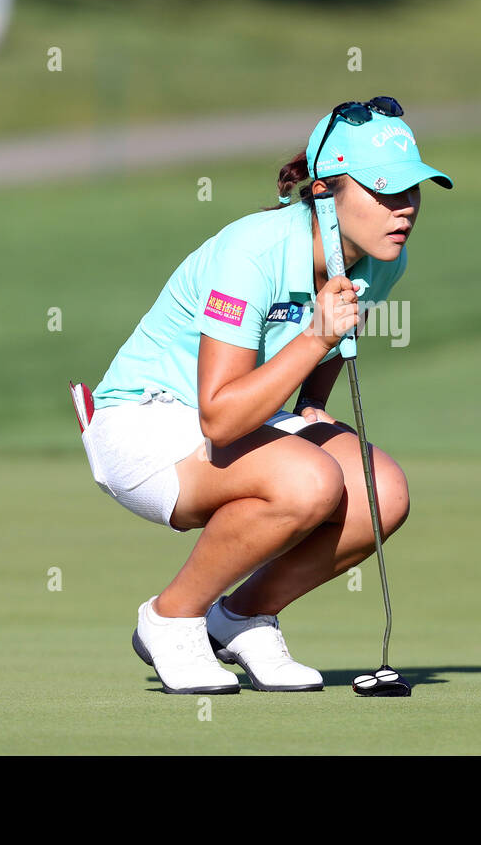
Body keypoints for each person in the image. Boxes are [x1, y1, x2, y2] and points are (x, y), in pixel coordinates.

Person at [76, 96, 453, 694]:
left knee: (381, 491)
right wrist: (315, 340)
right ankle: (171, 619)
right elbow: (222, 419)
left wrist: (313, 405)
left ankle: (243, 618)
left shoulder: (383, 261)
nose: (403, 210)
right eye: (384, 193)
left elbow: (331, 339)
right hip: (142, 424)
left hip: (238, 419)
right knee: (309, 481)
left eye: (412, 192)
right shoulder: (250, 252)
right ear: (327, 190)